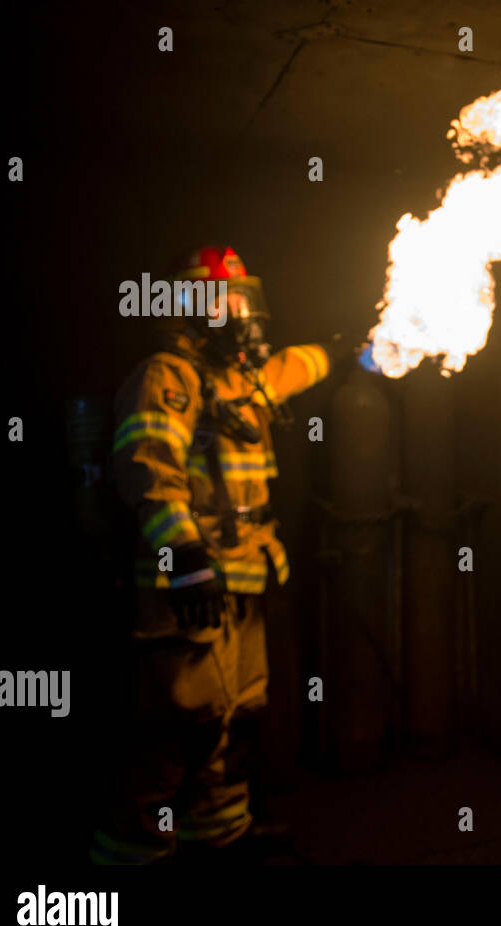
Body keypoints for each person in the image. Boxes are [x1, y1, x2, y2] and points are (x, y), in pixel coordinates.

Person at [91, 245, 365, 864]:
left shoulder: (244, 380)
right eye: (228, 302)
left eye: (246, 301)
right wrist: (183, 556)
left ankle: (218, 832)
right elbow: (148, 469)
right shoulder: (168, 377)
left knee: (236, 713)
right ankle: (131, 853)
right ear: (193, 311)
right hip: (185, 585)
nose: (243, 315)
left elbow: (297, 365)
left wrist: (354, 341)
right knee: (174, 723)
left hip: (242, 577)